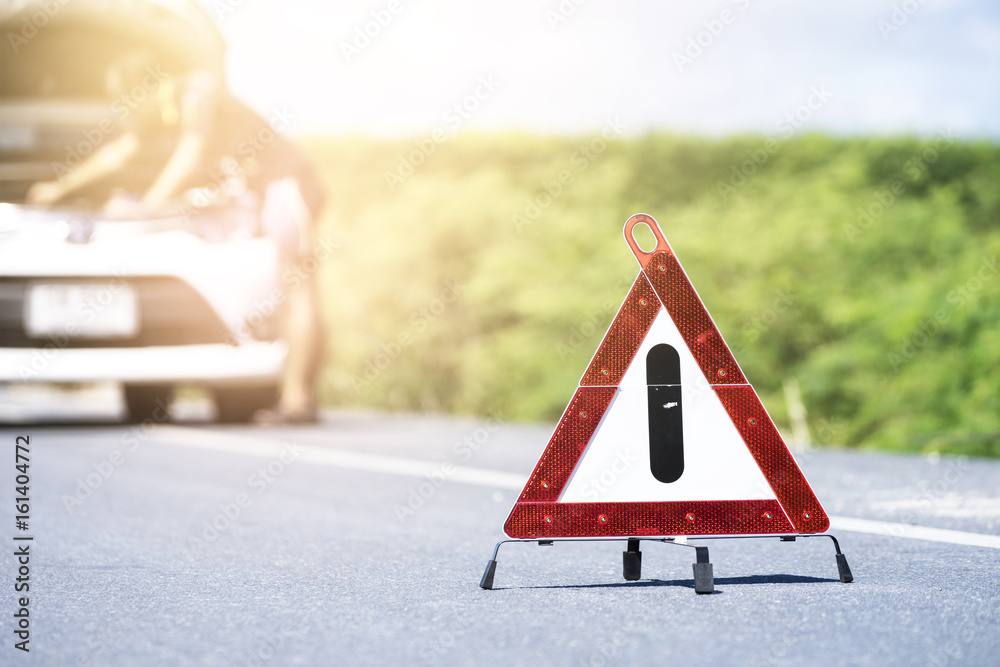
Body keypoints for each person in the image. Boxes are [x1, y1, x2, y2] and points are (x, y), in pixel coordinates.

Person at [27, 52, 326, 423]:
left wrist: (146, 206)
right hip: (263, 191)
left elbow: (190, 152)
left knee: (298, 285)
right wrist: (59, 187)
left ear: (150, 85)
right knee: (289, 285)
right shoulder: (164, 108)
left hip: (287, 183)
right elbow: (119, 152)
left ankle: (299, 399)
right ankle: (297, 396)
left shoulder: (196, 89)